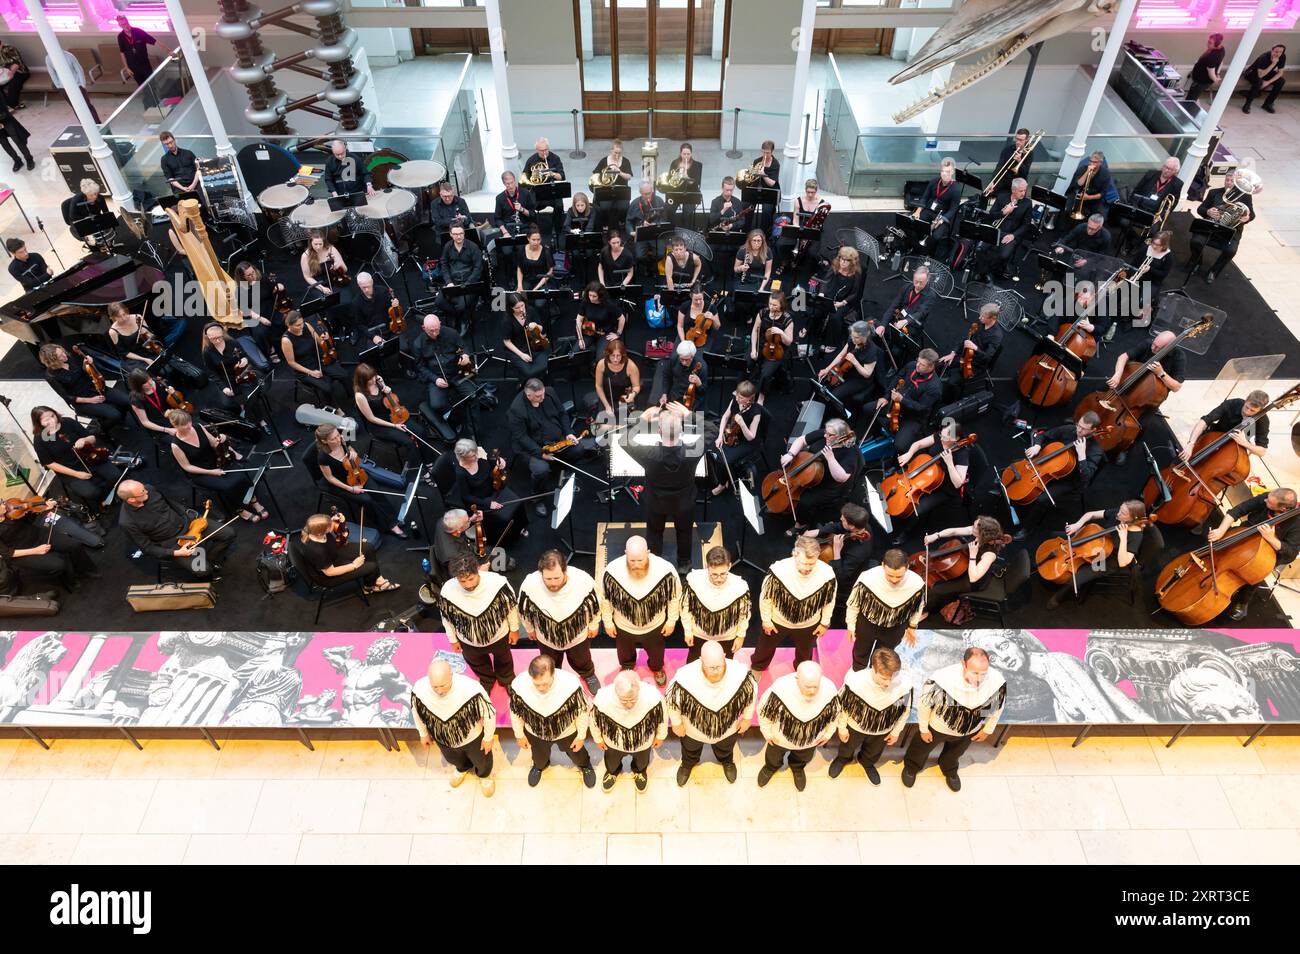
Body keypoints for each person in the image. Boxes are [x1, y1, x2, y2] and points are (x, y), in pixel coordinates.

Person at [902, 646, 1006, 792]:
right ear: (963, 664)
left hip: (969, 729)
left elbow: (998, 706)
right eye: (974, 672)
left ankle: (949, 769)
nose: (979, 679)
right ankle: (911, 767)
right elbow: (924, 705)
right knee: (920, 748)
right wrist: (924, 729)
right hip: (938, 726)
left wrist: (988, 729)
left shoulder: (997, 680)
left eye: (983, 673)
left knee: (956, 752)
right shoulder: (940, 679)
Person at [667, 642, 755, 786]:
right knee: (690, 748)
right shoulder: (684, 676)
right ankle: (688, 764)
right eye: (711, 667)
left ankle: (726, 761)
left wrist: (747, 718)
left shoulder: (740, 673)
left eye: (719, 666)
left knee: (726, 747)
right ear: (701, 660)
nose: (715, 671)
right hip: (692, 727)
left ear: (725, 657)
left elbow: (751, 694)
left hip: (727, 726)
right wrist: (676, 723)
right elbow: (672, 700)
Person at [1207, 488, 1300, 621]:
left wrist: (1271, 538)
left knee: (1255, 574)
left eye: (1269, 502)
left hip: (1267, 553)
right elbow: (1238, 510)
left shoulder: (1297, 523)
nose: (1265, 500)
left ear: (1284, 509)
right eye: (1268, 498)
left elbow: (1290, 553)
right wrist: (1221, 531)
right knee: (1219, 546)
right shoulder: (1269, 497)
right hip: (1244, 534)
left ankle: (1242, 602)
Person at [599, 535, 681, 686]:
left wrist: (671, 621)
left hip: (655, 625)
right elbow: (605, 599)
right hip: (623, 625)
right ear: (625, 553)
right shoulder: (611, 571)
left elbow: (674, 598)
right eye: (632, 561)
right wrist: (608, 622)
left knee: (657, 655)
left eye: (640, 560)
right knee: (625, 654)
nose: (636, 565)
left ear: (648, 552)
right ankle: (627, 667)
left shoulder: (666, 570)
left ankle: (657, 668)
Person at [518, 549, 602, 694]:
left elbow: (595, 603)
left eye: (557, 578)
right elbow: (523, 609)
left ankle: (588, 674)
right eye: (548, 579)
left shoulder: (583, 580)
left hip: (577, 633)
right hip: (546, 635)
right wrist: (529, 628)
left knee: (582, 659)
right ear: (541, 574)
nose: (552, 583)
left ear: (565, 570)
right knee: (550, 663)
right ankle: (553, 679)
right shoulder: (530, 584)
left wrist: (594, 624)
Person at [507, 378, 596, 514]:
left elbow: (562, 413)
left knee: (578, 449)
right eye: (538, 396)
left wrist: (568, 432)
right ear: (528, 395)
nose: (542, 398)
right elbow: (521, 437)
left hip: (557, 439)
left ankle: (562, 468)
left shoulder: (549, 392)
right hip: (532, 447)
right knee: (541, 469)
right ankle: (537, 498)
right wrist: (540, 453)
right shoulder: (517, 410)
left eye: (542, 394)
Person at [507, 654, 596, 788]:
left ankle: (585, 766)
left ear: (554, 674)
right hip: (536, 731)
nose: (542, 688)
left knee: (577, 753)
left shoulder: (571, 684)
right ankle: (539, 766)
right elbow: (515, 712)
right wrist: (519, 734)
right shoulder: (518, 684)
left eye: (545, 683)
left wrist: (581, 736)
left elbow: (581, 712)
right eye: (537, 684)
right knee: (539, 755)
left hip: (567, 730)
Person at [165, 409, 268, 524]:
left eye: (189, 421)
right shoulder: (176, 445)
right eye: (184, 425)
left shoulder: (198, 427)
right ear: (175, 425)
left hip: (217, 461)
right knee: (228, 486)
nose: (189, 426)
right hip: (201, 473)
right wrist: (211, 472)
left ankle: (253, 501)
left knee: (241, 474)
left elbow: (214, 443)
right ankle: (240, 509)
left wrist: (222, 438)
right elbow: (187, 467)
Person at [411, 658, 497, 797]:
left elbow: (489, 713)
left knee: (482, 760)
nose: (439, 691)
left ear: (451, 675)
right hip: (443, 737)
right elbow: (416, 711)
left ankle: (485, 777)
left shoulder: (471, 688)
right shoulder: (419, 689)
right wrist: (423, 733)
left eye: (443, 685)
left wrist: (488, 737)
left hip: (472, 737)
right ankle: (462, 768)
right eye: (435, 687)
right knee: (452, 758)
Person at [117, 480, 233, 579]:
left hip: (188, 524)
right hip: (171, 542)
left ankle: (211, 560)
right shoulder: (127, 522)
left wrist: (186, 514)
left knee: (228, 533)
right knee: (203, 571)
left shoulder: (149, 489)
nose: (146, 491)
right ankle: (207, 566)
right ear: (131, 500)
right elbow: (148, 548)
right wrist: (177, 552)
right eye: (142, 492)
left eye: (143, 488)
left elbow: (171, 503)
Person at [754, 537, 838, 672]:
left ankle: (802, 673)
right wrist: (766, 621)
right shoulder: (778, 570)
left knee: (805, 655)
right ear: (795, 555)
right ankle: (757, 667)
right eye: (804, 563)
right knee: (764, 648)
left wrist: (824, 623)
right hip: (778, 620)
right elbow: (766, 598)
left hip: (809, 623)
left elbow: (829, 601)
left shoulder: (827, 574)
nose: (808, 568)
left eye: (812, 564)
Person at [309, 422, 407, 538]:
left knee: (378, 493)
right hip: (343, 483)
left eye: (338, 435)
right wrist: (350, 489)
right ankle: (389, 526)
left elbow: (351, 449)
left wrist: (354, 453)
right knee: (368, 500)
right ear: (325, 441)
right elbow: (330, 478)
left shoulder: (342, 440)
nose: (338, 439)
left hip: (356, 473)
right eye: (333, 439)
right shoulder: (323, 457)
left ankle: (393, 518)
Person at [832, 646, 914, 784]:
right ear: (873, 669)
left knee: (874, 750)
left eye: (892, 677)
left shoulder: (904, 684)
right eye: (883, 678)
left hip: (883, 729)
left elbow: (905, 710)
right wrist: (842, 728)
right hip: (855, 726)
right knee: (847, 747)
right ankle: (842, 759)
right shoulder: (855, 681)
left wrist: (896, 732)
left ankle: (867, 762)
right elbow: (843, 707)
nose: (888, 683)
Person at [438, 553, 519, 692]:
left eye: (471, 578)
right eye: (462, 581)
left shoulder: (498, 582)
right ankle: (487, 679)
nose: (468, 584)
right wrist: (453, 640)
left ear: (477, 571)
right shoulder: (447, 590)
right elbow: (446, 618)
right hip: (468, 640)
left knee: (504, 659)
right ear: (456, 578)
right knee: (476, 662)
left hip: (499, 635)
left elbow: (511, 608)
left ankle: (507, 678)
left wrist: (514, 629)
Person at [1045, 499, 1147, 609]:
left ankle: (1058, 597)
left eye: (1123, 513)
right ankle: (1044, 560)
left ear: (1133, 518)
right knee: (1053, 536)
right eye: (1120, 509)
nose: (1118, 514)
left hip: (1107, 560)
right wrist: (1078, 524)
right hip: (1096, 544)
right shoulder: (1118, 513)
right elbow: (1091, 514)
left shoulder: (1136, 536)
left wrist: (1123, 538)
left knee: (1073, 579)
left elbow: (1123, 562)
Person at [629, 412, 698, 570]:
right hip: (684, 502)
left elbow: (623, 439)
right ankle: (684, 564)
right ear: (681, 431)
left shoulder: (648, 454)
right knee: (684, 532)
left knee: (654, 533)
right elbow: (712, 431)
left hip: (656, 502)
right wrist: (689, 414)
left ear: (659, 431)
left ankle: (655, 564)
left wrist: (642, 420)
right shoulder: (693, 451)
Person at [756, 660, 840, 791]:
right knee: (774, 755)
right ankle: (771, 767)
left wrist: (829, 733)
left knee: (804, 757)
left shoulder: (829, 689)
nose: (812, 691)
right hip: (779, 737)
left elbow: (835, 714)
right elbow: (764, 711)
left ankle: (797, 768)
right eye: (807, 687)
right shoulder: (780, 688)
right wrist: (767, 732)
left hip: (810, 739)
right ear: (797, 678)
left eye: (815, 687)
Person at [0, 495, 102, 592]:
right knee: (59, 564)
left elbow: (30, 517)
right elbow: (7, 554)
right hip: (23, 551)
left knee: (74, 544)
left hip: (37, 534)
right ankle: (70, 580)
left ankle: (84, 570)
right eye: (0, 505)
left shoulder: (12, 507)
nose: (4, 505)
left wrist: (43, 507)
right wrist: (36, 550)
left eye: (2, 501)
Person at [845, 549, 925, 671]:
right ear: (882, 565)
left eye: (899, 576)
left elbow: (917, 607)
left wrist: (912, 626)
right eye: (890, 575)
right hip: (867, 623)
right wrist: (851, 625)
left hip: (895, 627)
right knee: (860, 652)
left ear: (907, 567)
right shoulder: (867, 578)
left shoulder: (917, 583)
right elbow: (853, 603)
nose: (894, 580)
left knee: (883, 657)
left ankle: (876, 676)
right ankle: (857, 674)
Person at [778, 418, 862, 532]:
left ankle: (800, 524)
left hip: (828, 485)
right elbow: (802, 440)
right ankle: (780, 502)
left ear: (840, 436)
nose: (825, 436)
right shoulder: (826, 434)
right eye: (826, 433)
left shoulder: (850, 453)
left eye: (830, 435)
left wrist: (830, 458)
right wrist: (790, 454)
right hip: (809, 473)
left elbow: (842, 478)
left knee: (805, 501)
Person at [589, 671, 667, 792]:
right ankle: (612, 772)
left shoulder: (653, 696)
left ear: (639, 688)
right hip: (614, 741)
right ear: (615, 691)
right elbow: (594, 721)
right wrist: (597, 739)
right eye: (624, 700)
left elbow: (662, 716)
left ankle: (640, 771)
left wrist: (661, 736)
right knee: (612, 760)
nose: (629, 704)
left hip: (643, 740)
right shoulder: (602, 699)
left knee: (642, 761)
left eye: (633, 699)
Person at [30, 406, 119, 513]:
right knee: (91, 492)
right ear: (39, 423)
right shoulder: (41, 438)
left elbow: (93, 438)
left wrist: (84, 439)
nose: (52, 420)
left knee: (116, 475)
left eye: (52, 416)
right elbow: (50, 463)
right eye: (46, 420)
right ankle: (103, 499)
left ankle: (112, 492)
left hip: (89, 458)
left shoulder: (67, 422)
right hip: (70, 470)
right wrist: (77, 474)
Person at [1023, 410, 1104, 525]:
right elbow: (1044, 435)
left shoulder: (1095, 451)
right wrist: (1037, 445)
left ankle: (1028, 527)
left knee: (1042, 499)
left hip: (1070, 481)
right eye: (1078, 425)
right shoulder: (1069, 429)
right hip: (1052, 468)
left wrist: (1082, 456)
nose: (1079, 430)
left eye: (1084, 429)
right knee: (1023, 463)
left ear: (1093, 430)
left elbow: (1086, 477)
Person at [921, 516, 1012, 615]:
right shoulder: (977, 533)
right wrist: (937, 535)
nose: (971, 528)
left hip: (972, 580)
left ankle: (926, 611)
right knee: (943, 580)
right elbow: (954, 531)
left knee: (935, 591)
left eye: (974, 528)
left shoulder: (990, 554)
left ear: (983, 534)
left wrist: (973, 555)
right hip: (965, 567)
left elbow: (974, 577)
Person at [895, 420, 972, 529]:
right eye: (941, 434)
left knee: (917, 510)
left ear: (955, 439)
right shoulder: (940, 437)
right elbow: (919, 444)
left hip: (944, 488)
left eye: (944, 437)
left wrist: (949, 463)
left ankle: (908, 532)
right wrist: (909, 454)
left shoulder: (962, 455)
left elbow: (958, 484)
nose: (940, 438)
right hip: (927, 476)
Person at [451, 437, 527, 547]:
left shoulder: (478, 455)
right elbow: (466, 496)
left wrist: (498, 462)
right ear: (464, 458)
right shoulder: (461, 473)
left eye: (475, 453)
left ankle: (520, 527)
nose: (477, 456)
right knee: (504, 517)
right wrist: (488, 504)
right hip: (481, 500)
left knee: (518, 502)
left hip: (494, 489)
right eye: (473, 456)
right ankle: (509, 540)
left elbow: (490, 463)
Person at [299, 512, 399, 594]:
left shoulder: (315, 531)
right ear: (321, 532)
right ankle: (370, 587)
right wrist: (354, 565)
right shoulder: (317, 550)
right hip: (328, 576)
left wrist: (341, 522)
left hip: (333, 555)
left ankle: (375, 582)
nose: (332, 525)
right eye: (330, 525)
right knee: (372, 566)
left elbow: (339, 533)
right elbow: (330, 572)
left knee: (368, 547)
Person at [413, 314, 477, 441]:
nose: (435, 333)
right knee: (437, 405)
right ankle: (455, 418)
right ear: (423, 328)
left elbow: (464, 347)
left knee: (473, 395)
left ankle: (474, 430)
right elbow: (420, 367)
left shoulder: (451, 333)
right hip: (437, 377)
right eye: (431, 331)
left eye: (437, 329)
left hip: (456, 372)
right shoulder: (418, 344)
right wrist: (435, 379)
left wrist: (465, 356)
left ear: (440, 324)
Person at [680, 546, 751, 661]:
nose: (718, 579)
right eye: (714, 574)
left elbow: (744, 615)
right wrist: (688, 631)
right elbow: (685, 608)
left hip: (727, 637)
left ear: (729, 566)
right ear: (707, 567)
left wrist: (740, 636)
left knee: (724, 665)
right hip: (698, 635)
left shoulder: (740, 586)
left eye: (723, 574)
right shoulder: (694, 580)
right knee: (694, 664)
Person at [39, 343, 129, 429]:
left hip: (95, 387)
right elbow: (67, 397)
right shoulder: (51, 376)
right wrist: (91, 400)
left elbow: (83, 371)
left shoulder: (69, 358)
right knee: (115, 415)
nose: (64, 355)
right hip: (83, 400)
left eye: (62, 352)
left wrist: (86, 364)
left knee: (127, 400)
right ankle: (102, 430)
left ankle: (120, 420)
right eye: (60, 356)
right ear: (53, 362)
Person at [1190, 167, 1256, 284]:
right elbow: (1201, 209)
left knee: (1231, 251)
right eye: (1227, 180)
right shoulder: (1214, 192)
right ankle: (1197, 262)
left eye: (1232, 181)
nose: (1229, 183)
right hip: (1211, 226)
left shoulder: (1245, 196)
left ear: (1237, 182)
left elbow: (1252, 214)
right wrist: (1208, 212)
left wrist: (1247, 218)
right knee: (1196, 241)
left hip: (1231, 230)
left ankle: (1214, 271)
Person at [877, 348, 944, 455]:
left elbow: (921, 408)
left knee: (900, 446)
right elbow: (897, 378)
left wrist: (902, 400)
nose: (917, 365)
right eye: (918, 361)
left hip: (913, 417)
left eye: (922, 364)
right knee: (869, 409)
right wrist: (886, 396)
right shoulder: (912, 365)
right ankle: (881, 433)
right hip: (896, 404)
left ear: (931, 367)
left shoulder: (935, 387)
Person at [281, 310, 351, 408]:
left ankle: (353, 396)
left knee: (344, 375)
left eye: (301, 323)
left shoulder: (307, 326)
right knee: (327, 388)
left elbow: (320, 343)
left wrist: (325, 339)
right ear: (289, 325)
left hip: (320, 360)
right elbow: (291, 363)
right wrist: (311, 372)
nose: (301, 327)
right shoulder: (286, 340)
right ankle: (335, 409)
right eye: (297, 325)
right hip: (304, 369)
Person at [1181, 389, 1270, 466]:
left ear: (1260, 410)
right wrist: (1191, 443)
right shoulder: (1233, 403)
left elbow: (1262, 451)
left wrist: (1245, 443)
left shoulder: (1263, 421)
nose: (1247, 412)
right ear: (1246, 399)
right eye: (1246, 407)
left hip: (1232, 450)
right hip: (1211, 439)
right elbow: (1205, 421)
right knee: (1183, 457)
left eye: (1252, 411)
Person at [710, 380, 769, 496]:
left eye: (741, 397)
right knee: (713, 446)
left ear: (750, 398)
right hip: (732, 433)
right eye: (737, 395)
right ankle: (727, 473)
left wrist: (742, 424)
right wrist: (720, 435)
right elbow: (725, 416)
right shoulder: (735, 400)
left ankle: (722, 484)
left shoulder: (756, 412)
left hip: (746, 442)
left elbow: (751, 437)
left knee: (723, 460)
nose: (737, 399)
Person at [802, 502, 876, 588]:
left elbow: (841, 578)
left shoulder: (858, 553)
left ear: (852, 526)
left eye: (843, 519)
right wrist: (818, 531)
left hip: (845, 582)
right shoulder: (861, 524)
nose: (841, 518)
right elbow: (839, 526)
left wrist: (836, 552)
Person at [972, 177, 1031, 283]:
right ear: (1013, 190)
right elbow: (991, 216)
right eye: (1021, 191)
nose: (1023, 193)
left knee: (1003, 255)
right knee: (980, 249)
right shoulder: (1002, 197)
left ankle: (984, 272)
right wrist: (1003, 213)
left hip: (1011, 234)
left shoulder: (1027, 203)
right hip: (996, 229)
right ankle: (984, 272)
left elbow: (1026, 225)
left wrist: (1013, 235)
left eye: (1025, 190)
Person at [817, 320, 879, 419]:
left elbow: (867, 374)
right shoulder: (851, 339)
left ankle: (824, 416)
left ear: (865, 337)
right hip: (845, 369)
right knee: (821, 381)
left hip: (859, 379)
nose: (853, 339)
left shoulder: (872, 350)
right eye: (852, 336)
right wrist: (827, 369)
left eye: (856, 338)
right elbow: (841, 355)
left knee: (835, 395)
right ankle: (813, 406)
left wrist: (855, 361)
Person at [877, 266, 935, 369]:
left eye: (921, 282)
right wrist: (882, 325)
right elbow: (893, 306)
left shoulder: (930, 296)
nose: (917, 285)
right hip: (900, 317)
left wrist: (906, 321)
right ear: (913, 277)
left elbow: (921, 313)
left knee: (897, 348)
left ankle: (893, 365)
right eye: (916, 281)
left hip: (914, 325)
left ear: (927, 280)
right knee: (880, 330)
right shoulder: (906, 287)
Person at [939, 301, 1003, 389]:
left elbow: (987, 357)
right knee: (939, 364)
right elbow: (965, 339)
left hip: (975, 364)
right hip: (964, 355)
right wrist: (953, 353)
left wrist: (975, 348)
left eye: (983, 317)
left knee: (951, 383)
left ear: (993, 318)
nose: (979, 318)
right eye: (980, 315)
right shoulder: (980, 324)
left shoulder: (996, 336)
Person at [816, 246, 865, 351]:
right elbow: (826, 282)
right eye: (841, 259)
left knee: (835, 317)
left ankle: (832, 342)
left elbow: (854, 294)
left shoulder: (856, 274)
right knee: (817, 308)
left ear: (852, 263)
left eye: (846, 261)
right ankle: (809, 329)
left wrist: (842, 303)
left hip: (845, 301)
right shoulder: (835, 266)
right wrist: (821, 294)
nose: (842, 262)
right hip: (830, 296)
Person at [437, 223, 483, 334]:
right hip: (453, 281)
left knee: (461, 305)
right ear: (451, 234)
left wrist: (468, 283)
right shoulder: (448, 246)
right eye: (456, 234)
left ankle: (464, 320)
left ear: (464, 233)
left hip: (469, 282)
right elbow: (443, 264)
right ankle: (458, 315)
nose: (458, 236)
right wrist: (448, 282)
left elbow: (478, 268)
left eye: (461, 233)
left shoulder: (473, 247)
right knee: (439, 302)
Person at [202, 324, 260, 413]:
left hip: (241, 374)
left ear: (223, 333)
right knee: (227, 404)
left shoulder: (233, 343)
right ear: (207, 337)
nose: (217, 341)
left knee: (251, 397)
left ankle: (260, 419)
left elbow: (244, 355)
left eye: (219, 337)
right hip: (225, 379)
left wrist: (245, 359)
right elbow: (211, 372)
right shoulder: (207, 352)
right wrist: (224, 387)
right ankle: (241, 408)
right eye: (213, 339)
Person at [748, 290, 794, 401]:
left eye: (774, 305)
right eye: (770, 304)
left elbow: (789, 341)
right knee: (748, 361)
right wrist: (753, 349)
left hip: (777, 349)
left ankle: (761, 396)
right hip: (762, 343)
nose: (771, 307)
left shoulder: (788, 319)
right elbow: (755, 331)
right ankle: (745, 389)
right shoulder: (763, 312)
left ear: (781, 305)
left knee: (766, 373)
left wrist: (781, 332)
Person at [912, 158, 959, 259]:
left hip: (943, 216)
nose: (944, 174)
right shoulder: (934, 181)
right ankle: (916, 247)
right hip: (929, 210)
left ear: (952, 172)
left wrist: (942, 220)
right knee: (916, 224)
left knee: (936, 236)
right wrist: (918, 211)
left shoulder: (955, 189)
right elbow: (924, 198)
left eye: (947, 172)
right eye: (942, 171)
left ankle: (929, 254)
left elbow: (953, 209)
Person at [492, 170, 535, 274]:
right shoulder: (500, 198)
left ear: (515, 181)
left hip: (523, 227)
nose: (510, 186)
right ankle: (512, 274)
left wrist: (522, 210)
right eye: (507, 184)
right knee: (507, 252)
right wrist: (505, 232)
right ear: (504, 184)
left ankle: (525, 273)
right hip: (508, 229)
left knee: (522, 249)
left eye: (512, 182)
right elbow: (497, 218)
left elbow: (533, 215)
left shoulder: (525, 193)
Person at [502, 294, 550, 381]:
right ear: (511, 308)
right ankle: (529, 382)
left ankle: (535, 380)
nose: (521, 309)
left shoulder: (530, 310)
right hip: (517, 348)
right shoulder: (507, 319)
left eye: (522, 305)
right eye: (517, 308)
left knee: (547, 363)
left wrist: (536, 326)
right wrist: (522, 355)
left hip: (534, 343)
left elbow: (541, 328)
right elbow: (507, 341)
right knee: (529, 372)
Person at [576, 281, 625, 365]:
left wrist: (618, 333)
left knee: (600, 359)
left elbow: (622, 318)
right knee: (575, 352)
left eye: (594, 296)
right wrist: (580, 338)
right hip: (589, 331)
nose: (591, 298)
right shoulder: (586, 302)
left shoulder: (608, 304)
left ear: (600, 296)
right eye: (590, 295)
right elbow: (579, 320)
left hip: (604, 333)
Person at [592, 338, 641, 420]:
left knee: (626, 425)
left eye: (618, 356)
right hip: (606, 398)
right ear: (608, 355)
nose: (615, 359)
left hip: (624, 399)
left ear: (623, 355)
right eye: (612, 356)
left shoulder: (631, 366)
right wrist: (607, 406)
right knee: (605, 425)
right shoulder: (601, 364)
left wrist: (633, 395)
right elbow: (599, 386)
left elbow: (636, 386)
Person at [650, 339, 707, 410]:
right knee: (662, 415)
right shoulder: (673, 359)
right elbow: (667, 377)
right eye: (682, 359)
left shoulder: (702, 366)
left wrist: (699, 383)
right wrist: (664, 393)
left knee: (696, 420)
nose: (684, 363)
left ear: (692, 356)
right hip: (675, 396)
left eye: (687, 360)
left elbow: (703, 392)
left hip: (694, 401)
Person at [984, 128, 1035, 206]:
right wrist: (992, 182)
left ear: (1027, 139)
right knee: (985, 193)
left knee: (1005, 200)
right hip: (1004, 180)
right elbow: (999, 166)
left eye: (1021, 140)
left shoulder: (1029, 153)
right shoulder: (1008, 149)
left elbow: (1025, 173)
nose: (1018, 142)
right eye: (1017, 139)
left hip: (1017, 184)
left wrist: (1019, 161)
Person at [46, 49, 100, 123]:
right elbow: (52, 73)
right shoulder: (48, 58)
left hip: (77, 86)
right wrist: (59, 86)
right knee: (76, 107)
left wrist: (82, 85)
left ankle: (97, 123)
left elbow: (79, 70)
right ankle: (85, 124)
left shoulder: (69, 56)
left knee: (87, 106)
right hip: (64, 88)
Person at [432, 509, 488, 576]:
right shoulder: (453, 556)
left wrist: (472, 519)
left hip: (466, 551)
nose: (469, 520)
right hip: (464, 565)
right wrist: (481, 572)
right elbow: (463, 576)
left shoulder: (442, 521)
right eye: (467, 521)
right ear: (458, 530)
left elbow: (461, 525)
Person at [1062, 150, 1115, 220]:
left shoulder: (1105, 174)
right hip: (1077, 194)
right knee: (1068, 211)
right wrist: (1087, 172)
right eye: (1090, 161)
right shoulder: (1082, 169)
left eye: (1095, 162)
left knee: (1101, 217)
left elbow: (1103, 193)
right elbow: (1079, 184)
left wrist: (1089, 197)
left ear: (1100, 163)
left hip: (1093, 198)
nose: (1092, 163)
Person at [625, 179, 666, 265]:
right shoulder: (635, 203)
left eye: (649, 193)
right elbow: (628, 220)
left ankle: (651, 266)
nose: (648, 196)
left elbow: (664, 218)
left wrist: (656, 224)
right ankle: (646, 266)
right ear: (640, 192)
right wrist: (631, 232)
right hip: (641, 233)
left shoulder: (659, 201)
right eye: (645, 194)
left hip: (655, 233)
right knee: (639, 256)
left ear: (652, 191)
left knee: (661, 254)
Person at [1243, 43, 1286, 113]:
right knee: (1259, 82)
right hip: (1252, 73)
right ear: (1272, 51)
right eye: (1276, 51)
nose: (1278, 54)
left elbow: (1280, 72)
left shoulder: (1282, 56)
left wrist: (1268, 82)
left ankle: (1267, 104)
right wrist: (1273, 64)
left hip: (1266, 72)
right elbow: (1260, 75)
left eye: (1280, 52)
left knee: (1281, 81)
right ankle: (1247, 104)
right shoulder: (1264, 57)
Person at [115, 16, 157, 87]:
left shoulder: (138, 31)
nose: (125, 26)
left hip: (144, 64)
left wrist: (168, 50)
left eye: (126, 23)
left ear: (128, 22)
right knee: (142, 86)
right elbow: (122, 53)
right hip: (133, 67)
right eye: (122, 25)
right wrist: (127, 68)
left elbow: (154, 41)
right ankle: (148, 97)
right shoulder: (120, 37)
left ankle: (156, 97)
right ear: (120, 26)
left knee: (152, 83)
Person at [1187, 33, 1227, 103]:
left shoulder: (1212, 57)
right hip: (1199, 79)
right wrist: (1217, 73)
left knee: (1190, 100)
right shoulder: (1221, 48)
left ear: (1217, 44)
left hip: (1201, 82)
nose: (1207, 44)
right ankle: (1195, 101)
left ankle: (1189, 110)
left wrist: (1216, 79)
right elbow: (1221, 62)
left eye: (1210, 43)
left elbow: (1211, 74)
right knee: (1194, 96)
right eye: (1208, 41)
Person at [515, 225, 554, 293]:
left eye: (538, 240)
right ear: (528, 239)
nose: (536, 242)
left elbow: (550, 271)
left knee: (538, 303)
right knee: (519, 296)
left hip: (542, 281)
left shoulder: (546, 251)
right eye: (533, 240)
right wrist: (520, 285)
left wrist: (536, 288)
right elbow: (519, 268)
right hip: (527, 280)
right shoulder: (521, 250)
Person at [158, 130, 197, 196]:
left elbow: (198, 170)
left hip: (195, 183)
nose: (170, 146)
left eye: (171, 142)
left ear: (174, 140)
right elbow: (170, 178)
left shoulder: (188, 153)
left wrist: (193, 185)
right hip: (179, 188)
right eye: (166, 144)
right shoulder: (164, 159)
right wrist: (183, 188)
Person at [0, 97, 33, 171]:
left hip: (4, 117)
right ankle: (17, 160)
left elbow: (3, 104)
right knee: (3, 143)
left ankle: (29, 158)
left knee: (17, 139)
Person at [0, 40, 29, 109]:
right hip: (4, 72)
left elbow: (17, 63)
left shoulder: (9, 49)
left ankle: (13, 105)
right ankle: (5, 105)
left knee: (14, 82)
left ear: (1, 44)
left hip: (19, 71)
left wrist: (12, 72)